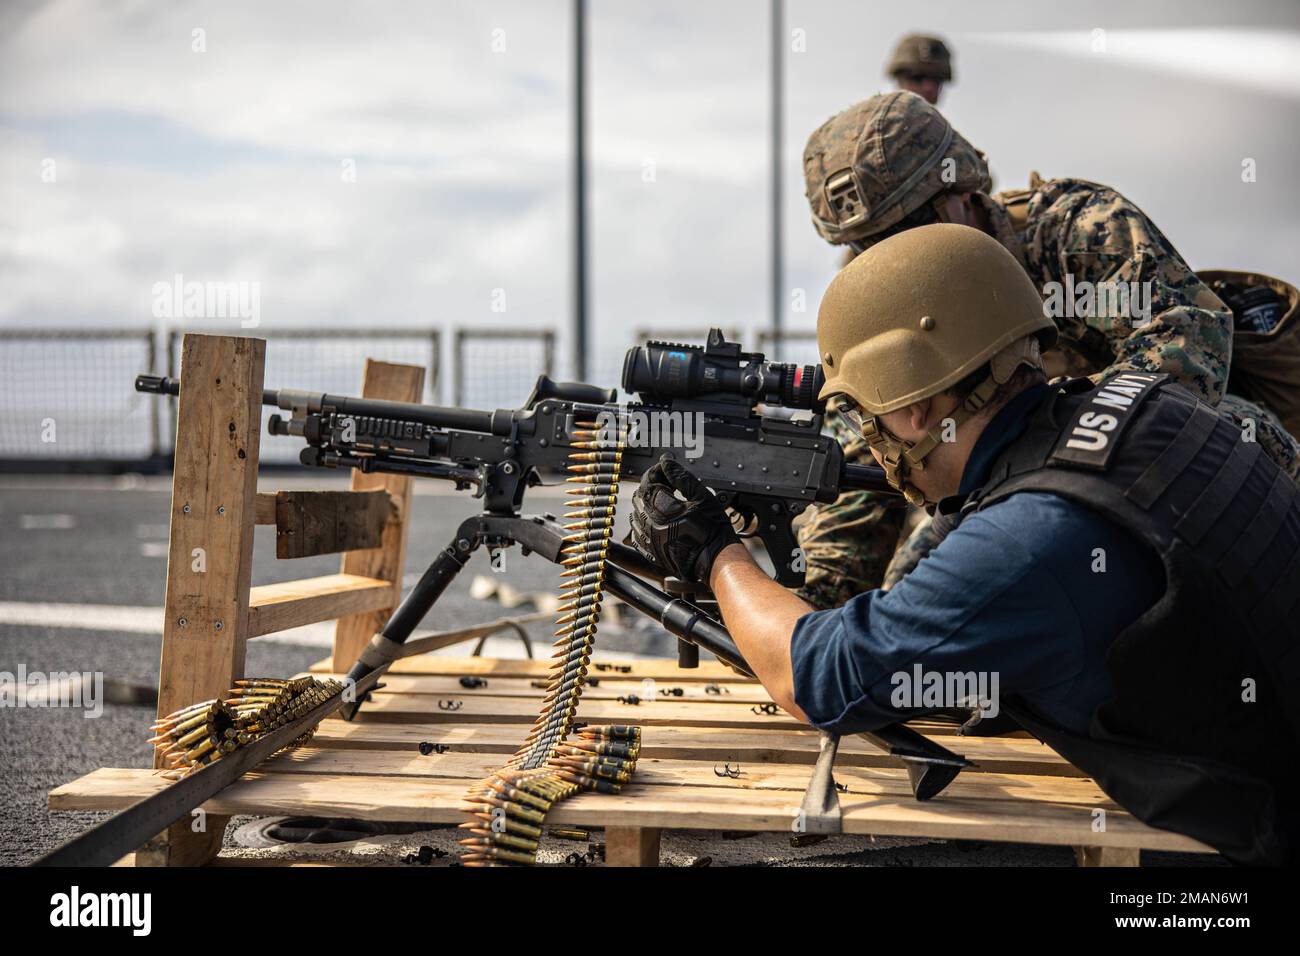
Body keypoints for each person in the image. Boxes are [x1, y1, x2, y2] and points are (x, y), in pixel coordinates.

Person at [629, 223, 1300, 865]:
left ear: (915, 408)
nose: (870, 438)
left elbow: (816, 677)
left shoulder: (1031, 537)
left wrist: (715, 551)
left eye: (867, 412)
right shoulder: (1149, 406)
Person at [798, 91, 1300, 609]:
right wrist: (814, 602)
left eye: (911, 230)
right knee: (911, 580)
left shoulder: (1075, 232)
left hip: (1143, 473)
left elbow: (1185, 354)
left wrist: (1027, 455)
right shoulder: (877, 319)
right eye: (870, 247)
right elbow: (862, 458)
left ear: (961, 189)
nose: (897, 258)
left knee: (1247, 430)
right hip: (1010, 503)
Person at [885, 34, 952, 105]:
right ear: (899, 79)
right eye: (918, 77)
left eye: (937, 79)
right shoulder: (879, 115)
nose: (929, 87)